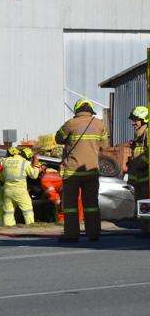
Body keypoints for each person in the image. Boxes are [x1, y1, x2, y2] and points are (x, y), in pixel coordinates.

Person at [55, 98, 108, 242]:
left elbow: (58, 138)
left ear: (77, 110)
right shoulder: (99, 125)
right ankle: (94, 233)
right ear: (91, 110)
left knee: (70, 205)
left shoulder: (70, 124)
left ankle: (71, 235)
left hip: (73, 172)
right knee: (91, 204)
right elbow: (104, 145)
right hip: (91, 171)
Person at [0, 146, 40, 226]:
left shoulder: (5, 161)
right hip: (20, 191)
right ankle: (31, 227)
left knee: (8, 212)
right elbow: (34, 175)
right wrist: (36, 166)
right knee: (27, 210)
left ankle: (9, 228)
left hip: (7, 190)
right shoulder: (25, 163)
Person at [126, 106, 149, 235]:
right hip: (140, 176)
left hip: (146, 176)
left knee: (145, 202)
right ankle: (145, 229)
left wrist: (141, 164)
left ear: (144, 120)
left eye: (136, 120)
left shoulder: (147, 133)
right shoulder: (140, 134)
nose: (133, 122)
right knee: (141, 203)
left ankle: (147, 229)